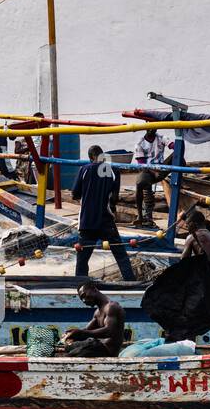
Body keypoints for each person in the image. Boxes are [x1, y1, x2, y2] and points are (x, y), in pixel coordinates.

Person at [70, 145, 135, 281]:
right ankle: (131, 283)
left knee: (83, 258)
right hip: (106, 220)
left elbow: (74, 194)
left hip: (88, 220)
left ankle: (80, 285)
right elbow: (115, 198)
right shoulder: (113, 171)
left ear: (90, 158)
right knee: (120, 254)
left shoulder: (84, 169)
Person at [62, 282, 125, 357]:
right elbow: (86, 331)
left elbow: (109, 331)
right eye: (81, 299)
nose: (84, 301)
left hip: (106, 350)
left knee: (68, 357)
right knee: (68, 347)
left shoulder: (111, 307)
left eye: (84, 295)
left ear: (94, 289)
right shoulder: (97, 313)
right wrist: (71, 335)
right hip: (96, 345)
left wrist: (80, 332)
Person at [131, 129, 170, 228]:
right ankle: (141, 216)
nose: (151, 129)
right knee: (140, 183)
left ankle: (178, 180)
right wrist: (154, 172)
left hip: (161, 169)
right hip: (148, 171)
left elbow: (173, 145)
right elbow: (143, 165)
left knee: (180, 159)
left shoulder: (161, 138)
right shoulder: (140, 143)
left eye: (154, 126)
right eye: (149, 126)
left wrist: (176, 146)